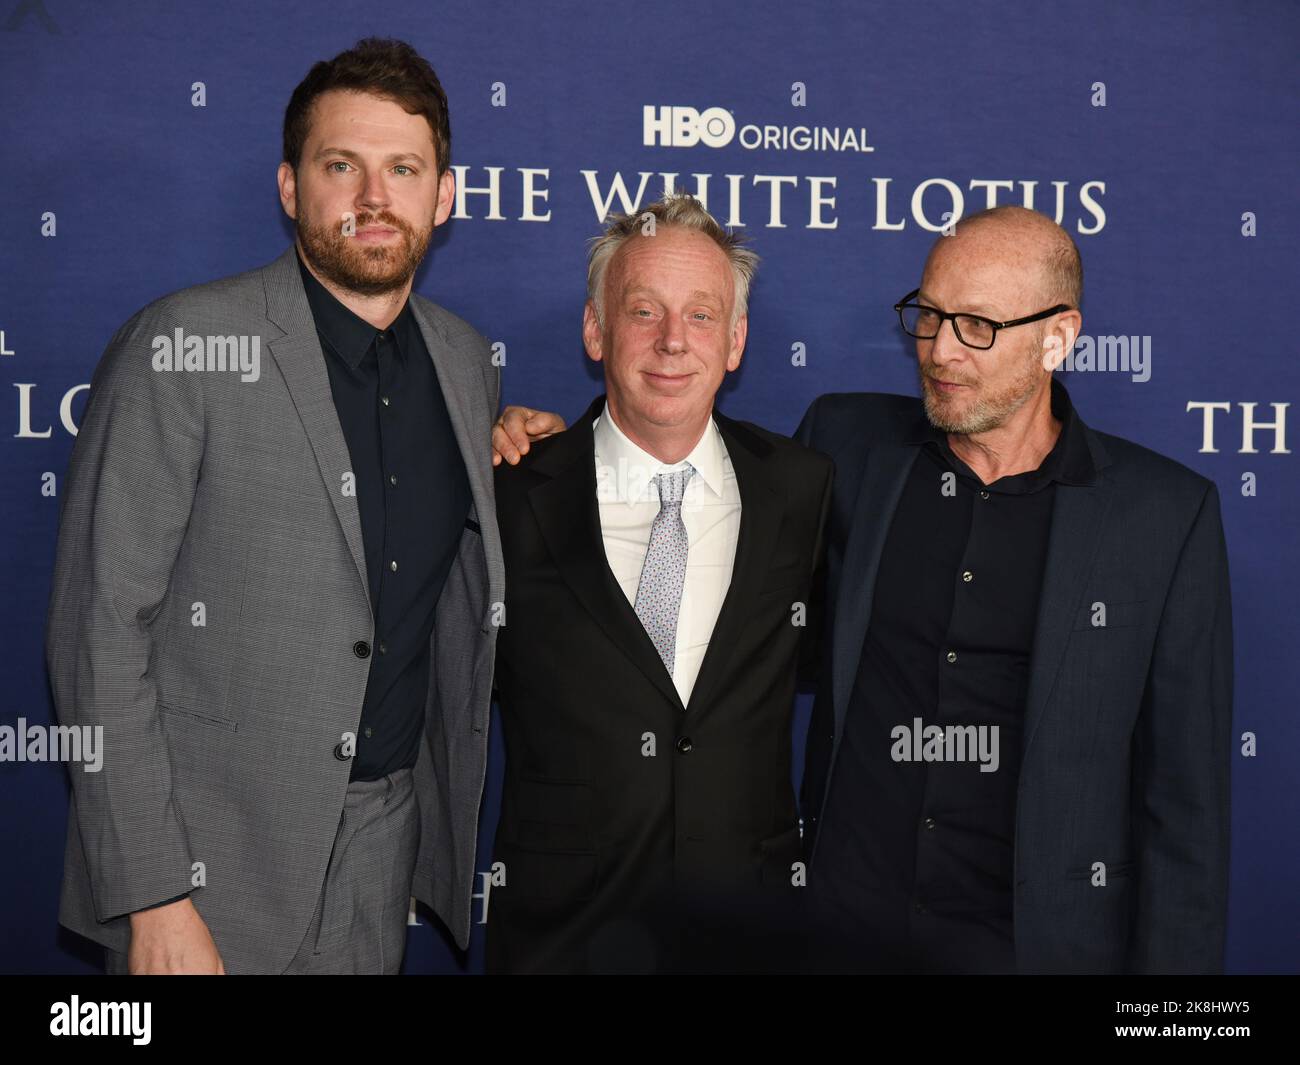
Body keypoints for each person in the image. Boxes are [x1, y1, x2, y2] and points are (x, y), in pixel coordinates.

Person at [493, 206, 1233, 974]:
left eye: (976, 324)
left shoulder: (1161, 519)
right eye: (929, 314)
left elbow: (1185, 817)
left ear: (1059, 336)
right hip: (839, 939)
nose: (940, 350)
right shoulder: (843, 453)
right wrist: (534, 442)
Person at [45, 38, 502, 974]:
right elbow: (98, 632)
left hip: (382, 852)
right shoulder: (183, 343)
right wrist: (154, 896)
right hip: (207, 865)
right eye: (343, 166)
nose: (375, 197)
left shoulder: (464, 361)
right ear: (291, 187)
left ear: (443, 196)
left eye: (404, 169)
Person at [485, 194, 832, 973]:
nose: (673, 341)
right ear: (595, 329)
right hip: (561, 939)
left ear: (736, 340)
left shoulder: (803, 491)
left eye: (702, 316)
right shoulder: (509, 491)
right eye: (643, 310)